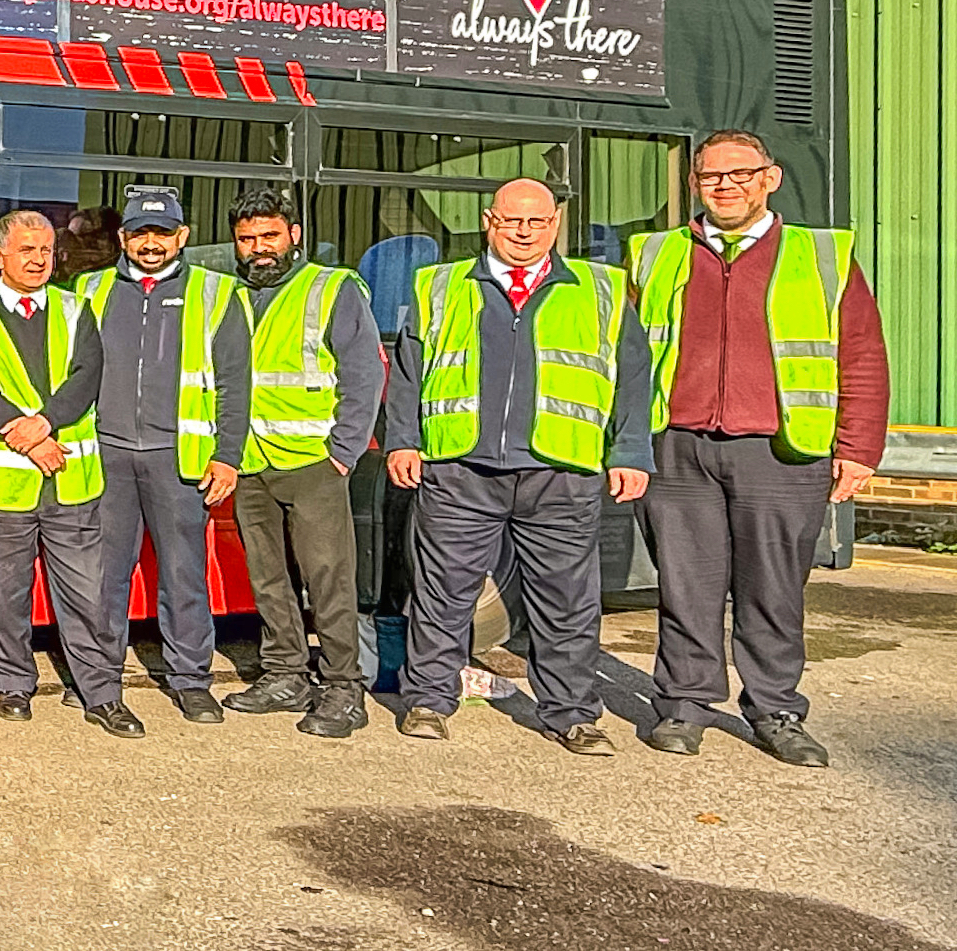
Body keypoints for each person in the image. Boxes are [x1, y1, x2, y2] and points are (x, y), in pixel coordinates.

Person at [629, 129, 890, 766]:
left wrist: (858, 447)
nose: (726, 186)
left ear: (770, 178)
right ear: (694, 183)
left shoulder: (821, 255)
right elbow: (629, 357)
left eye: (741, 174)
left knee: (773, 589)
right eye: (712, 176)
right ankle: (684, 705)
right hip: (679, 445)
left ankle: (775, 709)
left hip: (781, 451)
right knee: (684, 586)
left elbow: (860, 352)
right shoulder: (657, 254)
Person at [386, 177, 653, 755]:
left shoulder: (601, 289)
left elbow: (634, 376)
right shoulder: (440, 286)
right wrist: (402, 440)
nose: (524, 233)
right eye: (511, 221)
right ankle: (429, 700)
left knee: (567, 602)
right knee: (441, 594)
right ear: (489, 220)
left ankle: (572, 713)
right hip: (460, 469)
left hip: (561, 470)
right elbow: (409, 371)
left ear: (555, 224)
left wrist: (630, 451)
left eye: (536, 222)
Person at [73, 185, 252, 732]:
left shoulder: (217, 293)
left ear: (183, 236)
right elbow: (75, 375)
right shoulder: (90, 289)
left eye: (163, 233)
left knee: (184, 574)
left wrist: (227, 457)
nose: (151, 244)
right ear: (123, 237)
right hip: (110, 455)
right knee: (106, 576)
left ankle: (191, 681)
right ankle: (98, 680)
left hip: (181, 461)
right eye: (140, 233)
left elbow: (233, 384)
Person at [0, 210, 122, 726]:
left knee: (88, 593)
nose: (39, 259)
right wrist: (30, 443)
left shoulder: (77, 310)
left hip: (72, 481)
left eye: (45, 250)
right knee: (4, 593)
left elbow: (88, 377)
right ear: (0, 257)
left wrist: (43, 425)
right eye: (27, 250)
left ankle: (102, 695)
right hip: (8, 483)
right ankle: (14, 687)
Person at [219, 186, 384, 740]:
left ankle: (343, 687)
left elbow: (365, 373)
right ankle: (285, 673)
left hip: (315, 462)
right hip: (249, 460)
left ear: (293, 235)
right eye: (247, 240)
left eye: (269, 236)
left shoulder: (330, 288)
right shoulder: (230, 295)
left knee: (327, 578)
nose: (259, 249)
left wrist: (343, 452)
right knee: (268, 579)